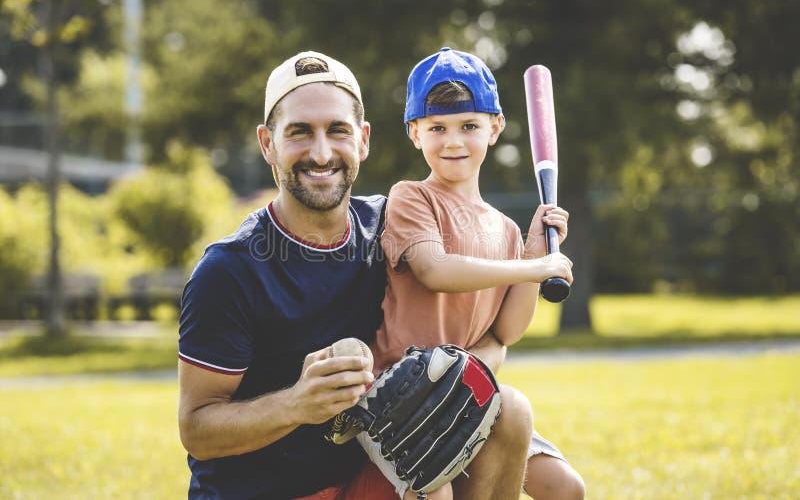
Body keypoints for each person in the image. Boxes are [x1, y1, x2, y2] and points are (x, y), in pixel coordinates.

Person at [177, 51, 533, 500]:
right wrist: (296, 404)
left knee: (509, 414)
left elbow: (492, 332)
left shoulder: (394, 226)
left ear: (363, 139)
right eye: (300, 132)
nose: (322, 152)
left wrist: (533, 254)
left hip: (365, 478)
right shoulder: (229, 271)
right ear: (268, 143)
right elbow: (196, 428)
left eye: (338, 131)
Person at [360, 47, 586, 500]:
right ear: (414, 133)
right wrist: (532, 264)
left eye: (469, 126)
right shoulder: (411, 198)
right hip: (403, 401)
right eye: (437, 128)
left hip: (467, 398)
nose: (453, 141)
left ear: (495, 127)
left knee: (566, 489)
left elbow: (506, 331)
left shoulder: (503, 230)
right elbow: (434, 269)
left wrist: (533, 251)